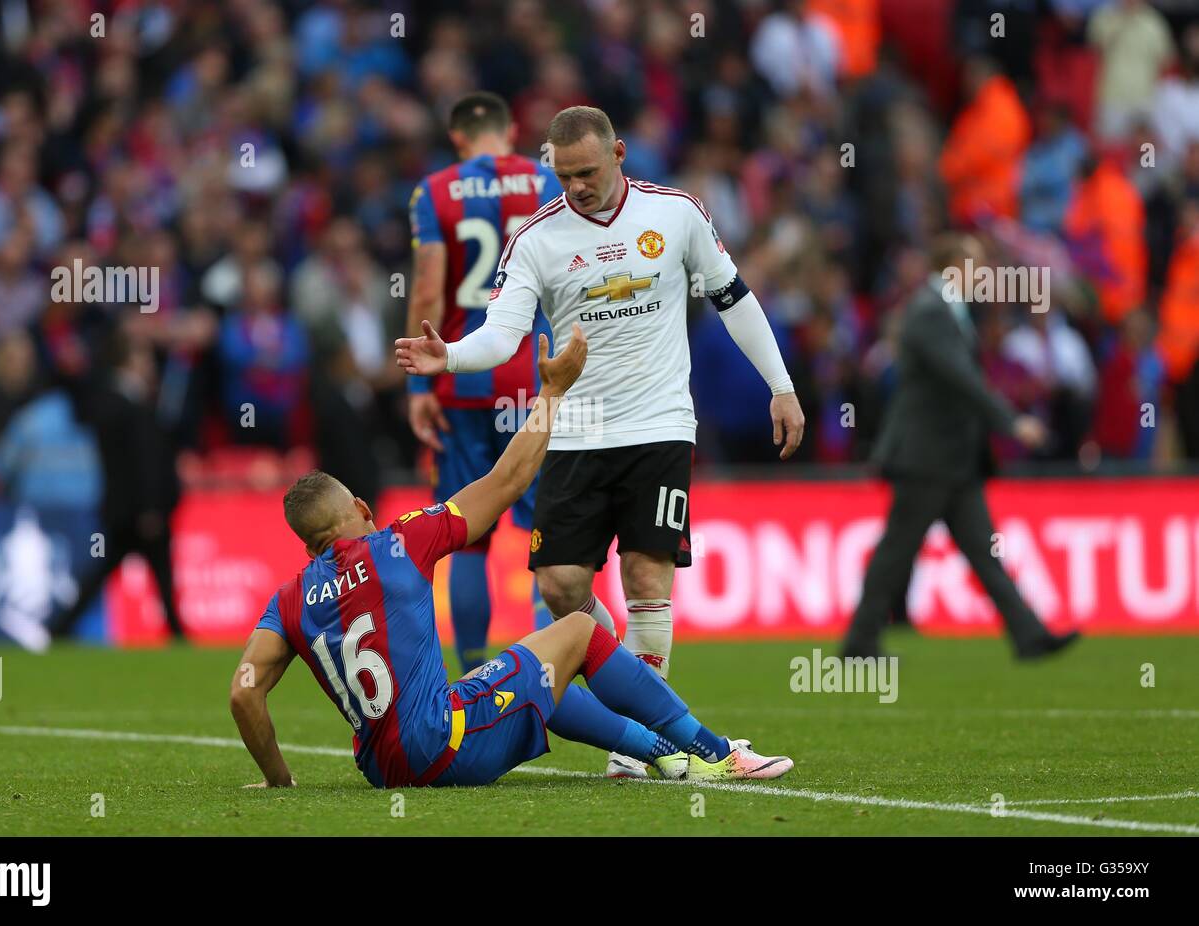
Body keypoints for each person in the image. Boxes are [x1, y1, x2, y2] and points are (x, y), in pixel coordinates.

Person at [395, 105, 805, 778]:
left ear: (618, 153)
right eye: (564, 175)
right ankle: (644, 707)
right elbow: (505, 333)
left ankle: (642, 740)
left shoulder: (676, 214)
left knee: (647, 575)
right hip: (577, 430)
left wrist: (780, 386)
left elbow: (734, 298)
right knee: (561, 587)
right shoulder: (535, 238)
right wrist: (453, 358)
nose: (576, 186)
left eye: (587, 172)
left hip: (660, 423)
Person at [229, 326, 792, 788]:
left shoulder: (289, 598)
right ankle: (712, 753)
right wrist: (551, 394)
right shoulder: (397, 543)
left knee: (531, 669)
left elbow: (244, 692)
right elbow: (508, 480)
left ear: (308, 545)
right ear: (359, 506)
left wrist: (279, 781)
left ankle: (660, 753)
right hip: (442, 747)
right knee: (577, 631)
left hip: (383, 768)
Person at [841, 234, 1080, 660]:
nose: (983, 271)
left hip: (952, 459)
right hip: (926, 456)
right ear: (952, 265)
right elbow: (961, 379)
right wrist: (1011, 422)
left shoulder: (945, 310)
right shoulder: (931, 311)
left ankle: (1029, 635)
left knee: (979, 552)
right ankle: (860, 639)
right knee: (898, 550)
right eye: (975, 262)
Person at [406, 91, 560, 672]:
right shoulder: (549, 182)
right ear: (513, 129)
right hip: (534, 377)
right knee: (548, 526)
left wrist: (418, 388)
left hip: (462, 378)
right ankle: (550, 667)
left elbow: (426, 290)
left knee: (467, 532)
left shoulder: (436, 190)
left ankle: (472, 670)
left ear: (457, 137)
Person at [48, 330, 185, 641]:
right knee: (154, 574)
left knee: (114, 573)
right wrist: (151, 507)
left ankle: (60, 628)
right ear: (130, 360)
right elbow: (143, 462)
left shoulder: (118, 400)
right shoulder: (127, 403)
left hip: (125, 508)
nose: (151, 364)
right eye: (144, 356)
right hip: (137, 510)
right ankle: (177, 634)